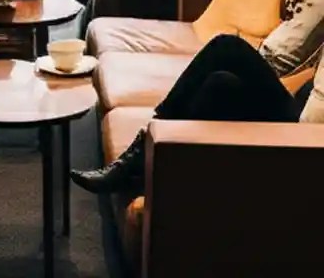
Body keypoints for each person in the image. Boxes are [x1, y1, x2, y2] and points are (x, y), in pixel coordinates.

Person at [70, 33, 319, 195]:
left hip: (305, 141)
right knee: (219, 85)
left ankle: (146, 146)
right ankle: (153, 163)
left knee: (226, 47)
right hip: (298, 111)